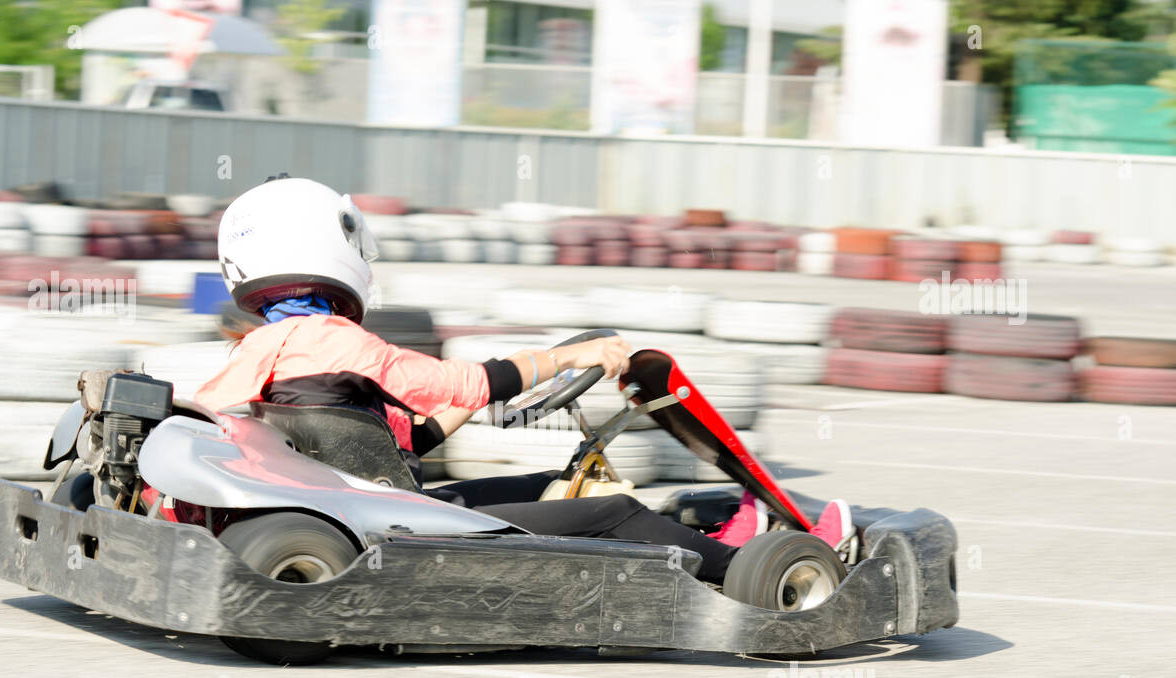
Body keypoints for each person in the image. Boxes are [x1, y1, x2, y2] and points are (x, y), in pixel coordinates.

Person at [193, 175, 852, 584]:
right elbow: (464, 381)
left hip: (368, 504)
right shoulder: (333, 339)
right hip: (398, 524)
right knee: (616, 511)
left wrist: (487, 397)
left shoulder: (259, 349)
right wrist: (570, 356)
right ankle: (751, 567)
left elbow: (403, 440)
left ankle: (706, 547)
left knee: (544, 482)